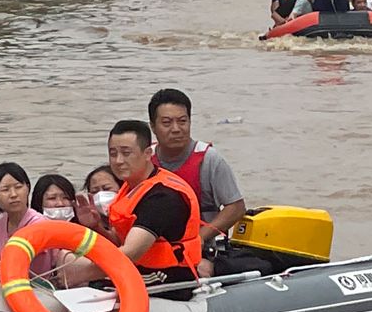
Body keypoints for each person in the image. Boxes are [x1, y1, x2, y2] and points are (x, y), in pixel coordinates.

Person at [64, 120, 201, 297]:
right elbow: (120, 241)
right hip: (138, 270)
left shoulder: (163, 197)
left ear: (148, 153)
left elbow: (130, 253)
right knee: (65, 256)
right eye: (113, 154)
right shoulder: (129, 188)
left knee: (88, 278)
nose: (118, 161)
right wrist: (97, 227)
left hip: (166, 280)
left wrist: (82, 273)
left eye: (126, 153)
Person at [143, 88, 247, 276]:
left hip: (200, 252)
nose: (176, 129)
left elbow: (236, 208)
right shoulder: (144, 159)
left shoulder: (209, 159)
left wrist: (199, 238)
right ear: (153, 126)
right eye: (166, 123)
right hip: (150, 250)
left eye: (182, 121)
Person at [0, 161, 63, 281]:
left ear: (28, 189)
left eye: (18, 187)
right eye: (5, 190)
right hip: (11, 282)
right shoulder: (1, 224)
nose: (13, 194)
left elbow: (22, 256)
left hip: (40, 287)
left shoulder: (38, 223)